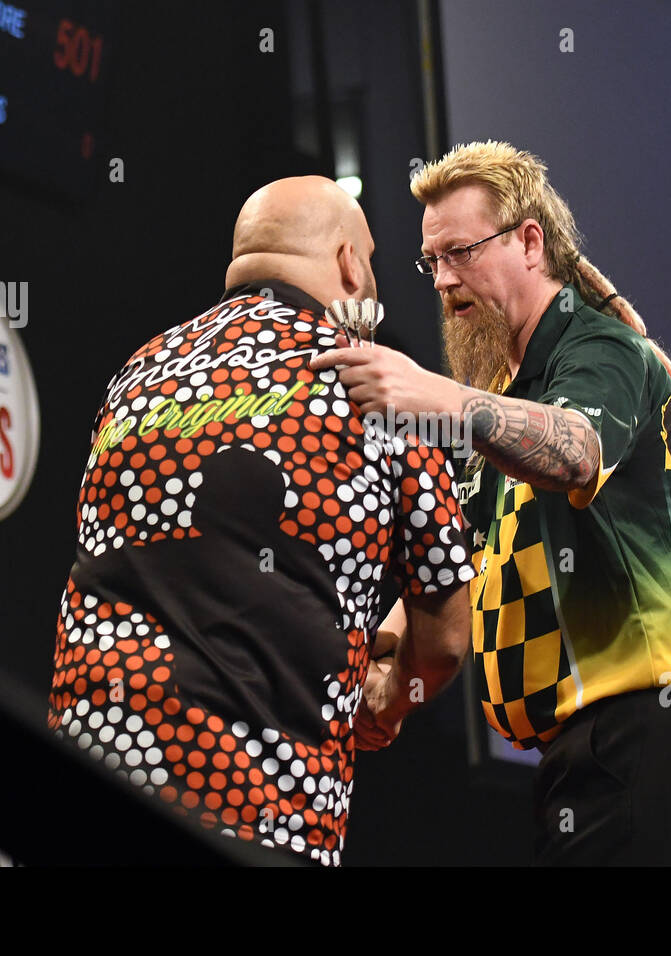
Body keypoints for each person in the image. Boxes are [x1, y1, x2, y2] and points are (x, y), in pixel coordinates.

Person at [313, 141, 671, 865]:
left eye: (460, 252)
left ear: (528, 241)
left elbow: (576, 450)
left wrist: (443, 398)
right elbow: (456, 573)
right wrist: (377, 677)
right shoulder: (501, 405)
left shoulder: (600, 349)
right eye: (433, 262)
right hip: (582, 741)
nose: (444, 281)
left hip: (660, 714)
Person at [46, 175, 473, 866]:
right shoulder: (378, 383)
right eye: (371, 262)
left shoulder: (138, 372)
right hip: (262, 813)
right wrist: (388, 702)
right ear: (347, 263)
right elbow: (448, 636)